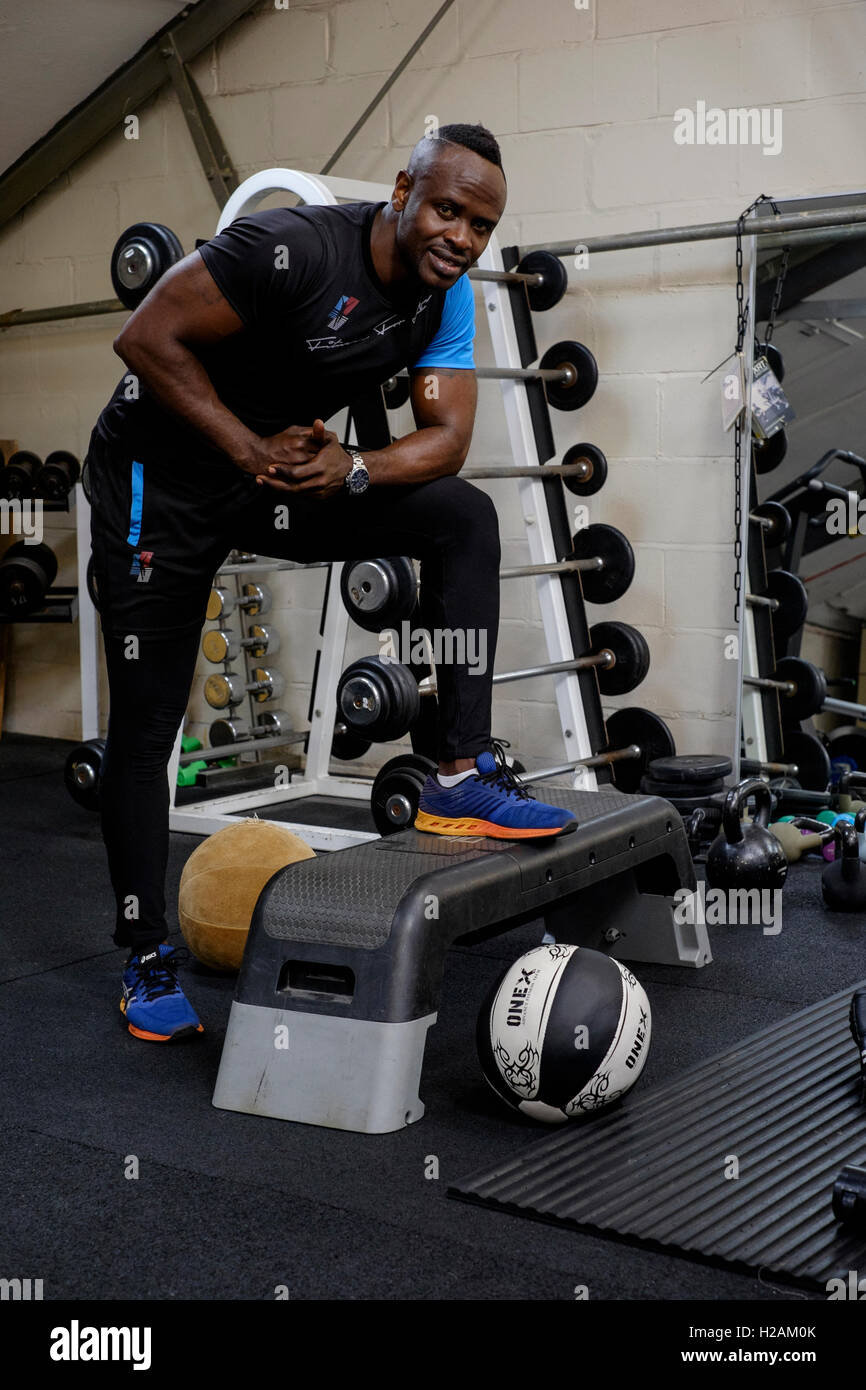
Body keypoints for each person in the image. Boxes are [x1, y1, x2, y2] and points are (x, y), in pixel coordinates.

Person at [86, 122, 576, 1043]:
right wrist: (244, 446)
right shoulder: (291, 249)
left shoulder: (447, 299)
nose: (460, 237)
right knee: (149, 719)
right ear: (402, 192)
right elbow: (144, 334)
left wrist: (353, 467)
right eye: (447, 209)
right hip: (164, 480)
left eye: (480, 224)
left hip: (283, 477)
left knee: (460, 515)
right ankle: (144, 951)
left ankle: (460, 770)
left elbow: (447, 440)